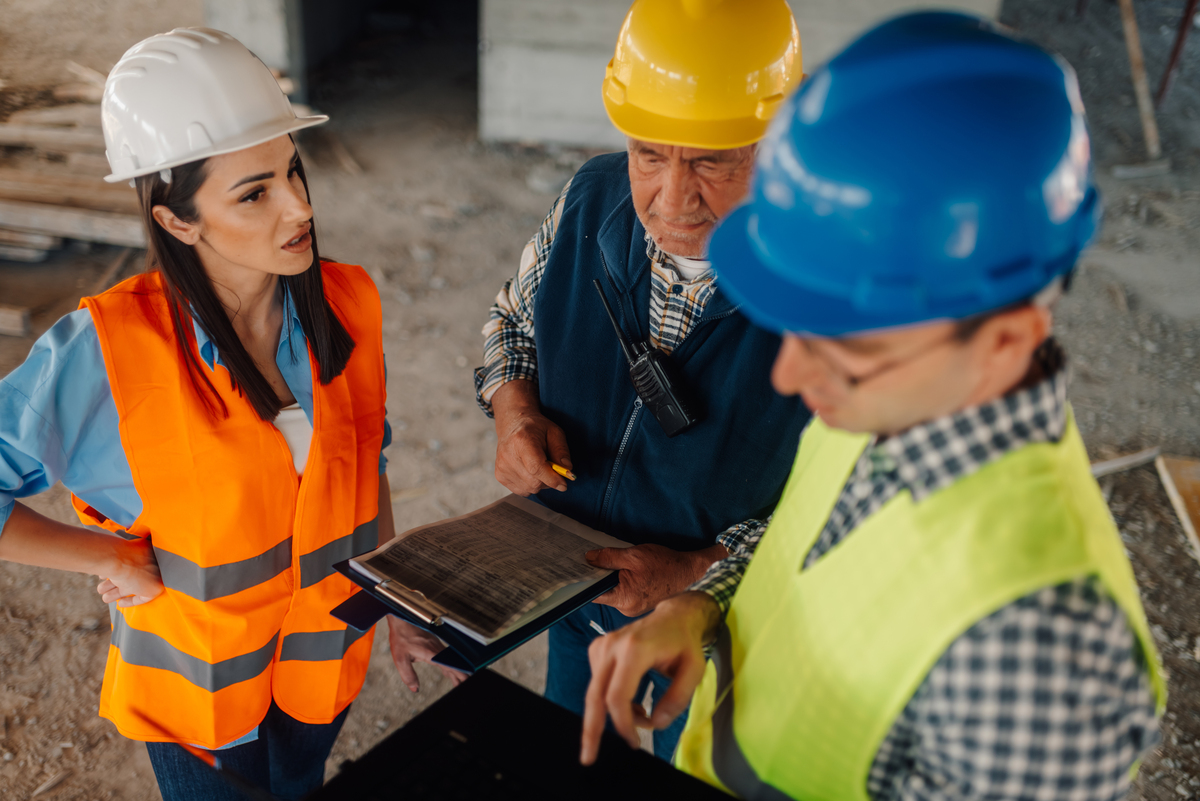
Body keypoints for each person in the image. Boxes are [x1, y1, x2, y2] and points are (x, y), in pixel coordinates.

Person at [581, 12, 1166, 800]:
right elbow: (806, 563)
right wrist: (703, 606)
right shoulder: (879, 402)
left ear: (1004, 339)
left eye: (843, 344)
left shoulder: (1039, 648)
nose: (790, 374)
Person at [0, 28, 453, 801]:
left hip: (321, 666)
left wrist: (394, 594)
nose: (299, 207)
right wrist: (106, 559)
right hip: (198, 704)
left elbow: (365, 461)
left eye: (292, 172)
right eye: (254, 192)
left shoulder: (347, 302)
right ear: (178, 221)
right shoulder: (109, 349)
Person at [454, 0, 811, 760]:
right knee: (574, 759)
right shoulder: (591, 198)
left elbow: (832, 511)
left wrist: (691, 572)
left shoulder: (822, 293)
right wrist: (512, 413)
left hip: (714, 635)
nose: (672, 199)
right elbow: (513, 322)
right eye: (650, 154)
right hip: (572, 594)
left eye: (712, 161)